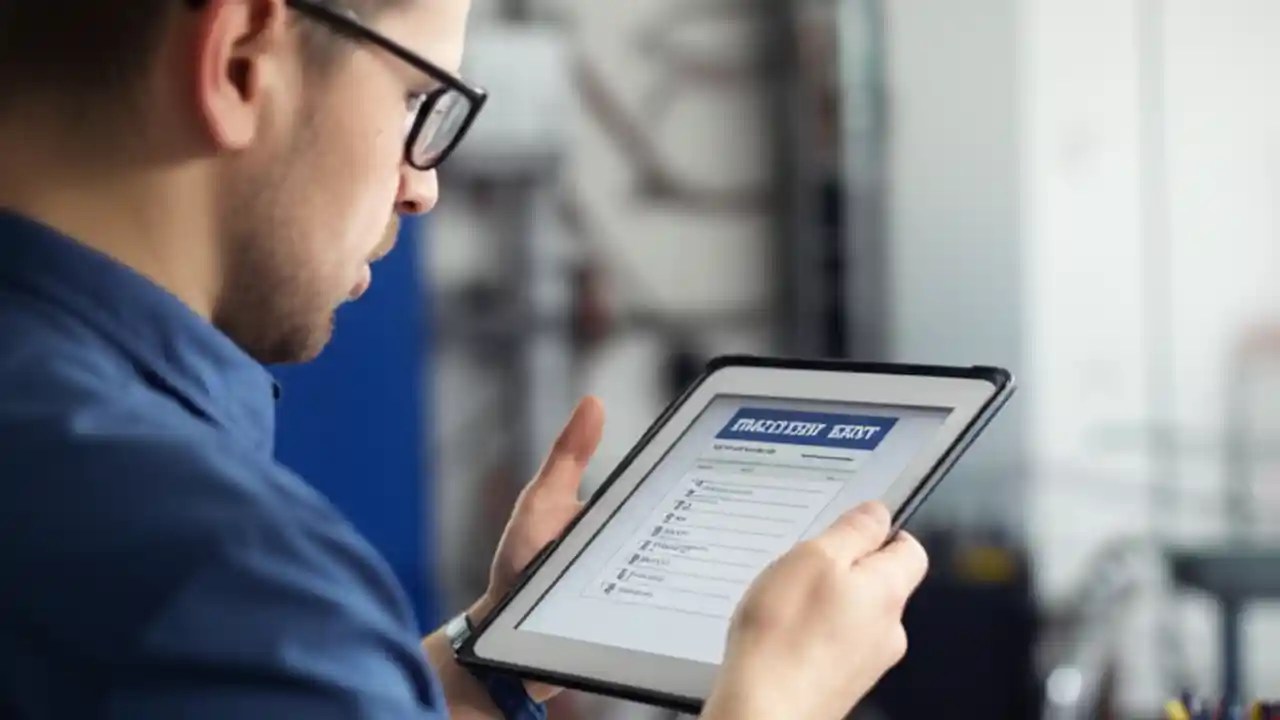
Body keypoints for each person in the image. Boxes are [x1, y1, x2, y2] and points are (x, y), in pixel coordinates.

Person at [0, 0, 930, 718]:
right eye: (416, 100)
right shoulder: (227, 576)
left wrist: (483, 657)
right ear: (242, 58)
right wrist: (773, 701)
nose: (423, 187)